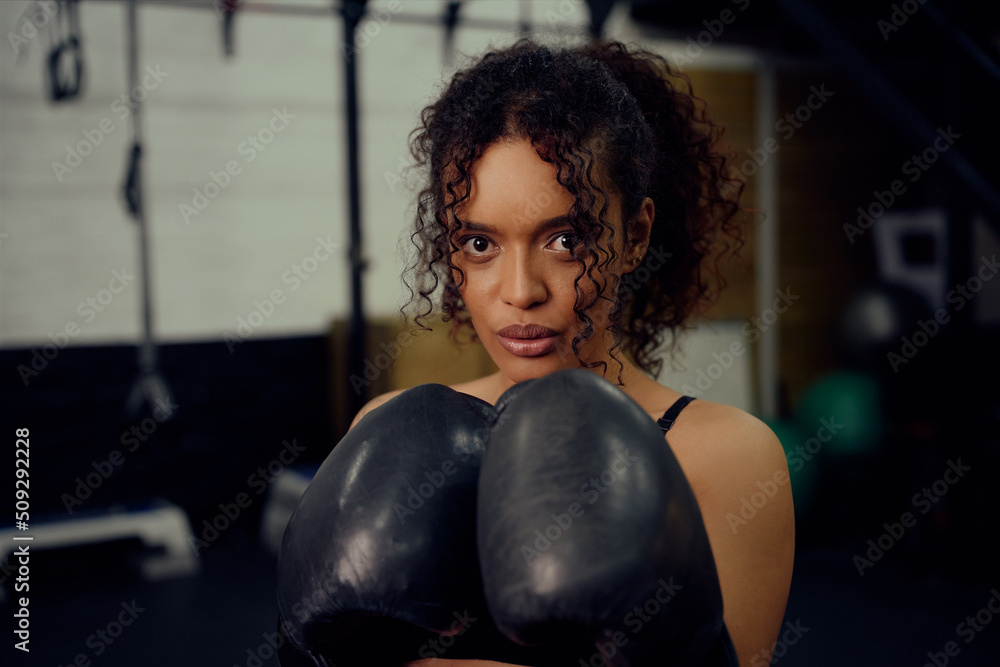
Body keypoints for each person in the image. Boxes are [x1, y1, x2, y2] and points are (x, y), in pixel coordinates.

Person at [340, 38, 792, 666]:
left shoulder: (727, 460)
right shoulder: (391, 435)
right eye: (478, 243)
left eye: (565, 239)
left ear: (635, 237)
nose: (521, 292)